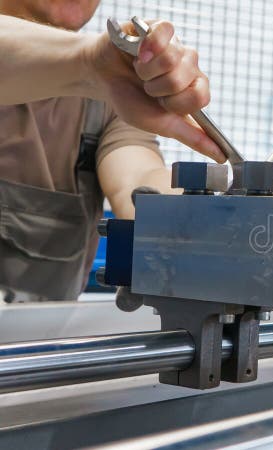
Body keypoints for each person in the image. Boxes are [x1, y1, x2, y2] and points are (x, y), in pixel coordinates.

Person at [0, 1, 227, 301]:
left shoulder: (111, 97)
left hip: (40, 343)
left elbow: (138, 178)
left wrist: (207, 229)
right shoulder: (94, 67)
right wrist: (88, 62)